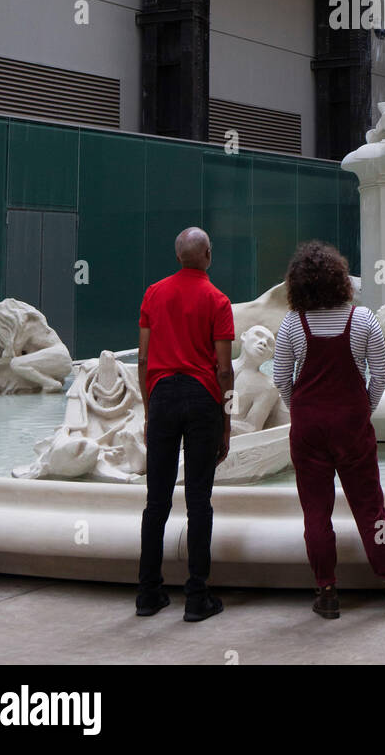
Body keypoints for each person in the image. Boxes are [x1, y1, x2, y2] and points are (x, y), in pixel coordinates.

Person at [272, 241, 385, 618]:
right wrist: (363, 410)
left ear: (298, 285)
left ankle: (326, 592)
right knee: (370, 507)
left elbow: (279, 377)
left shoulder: (293, 323)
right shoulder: (364, 320)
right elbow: (382, 374)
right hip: (351, 426)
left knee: (316, 512)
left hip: (309, 429)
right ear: (340, 279)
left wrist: (301, 410)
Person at [136, 226, 234, 622]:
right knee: (199, 501)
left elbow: (142, 361)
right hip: (202, 399)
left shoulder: (153, 294)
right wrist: (226, 422)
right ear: (208, 254)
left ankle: (148, 594)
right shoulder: (218, 300)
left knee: (156, 501)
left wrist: (148, 410)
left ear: (178, 256)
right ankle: (197, 598)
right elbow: (225, 369)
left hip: (161, 396)